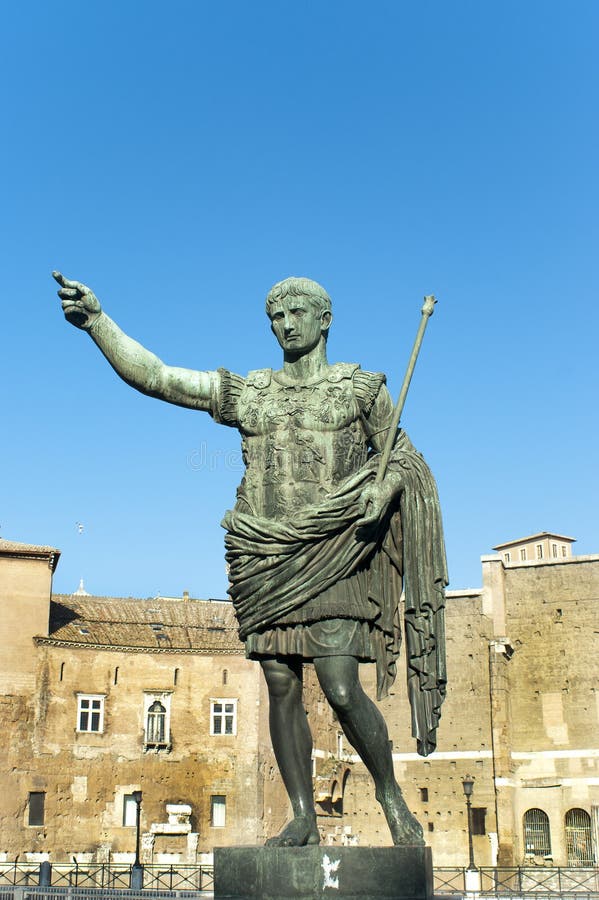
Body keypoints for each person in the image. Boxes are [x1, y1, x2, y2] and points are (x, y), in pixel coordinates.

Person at [53, 271, 447, 847]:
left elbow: (403, 458)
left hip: (334, 552)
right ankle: (301, 817)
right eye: (276, 317)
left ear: (324, 319)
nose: (285, 324)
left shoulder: (359, 390)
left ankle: (390, 798)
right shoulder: (251, 392)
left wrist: (383, 489)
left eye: (296, 313)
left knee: (339, 686)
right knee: (281, 685)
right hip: (264, 556)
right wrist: (97, 323)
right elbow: (158, 377)